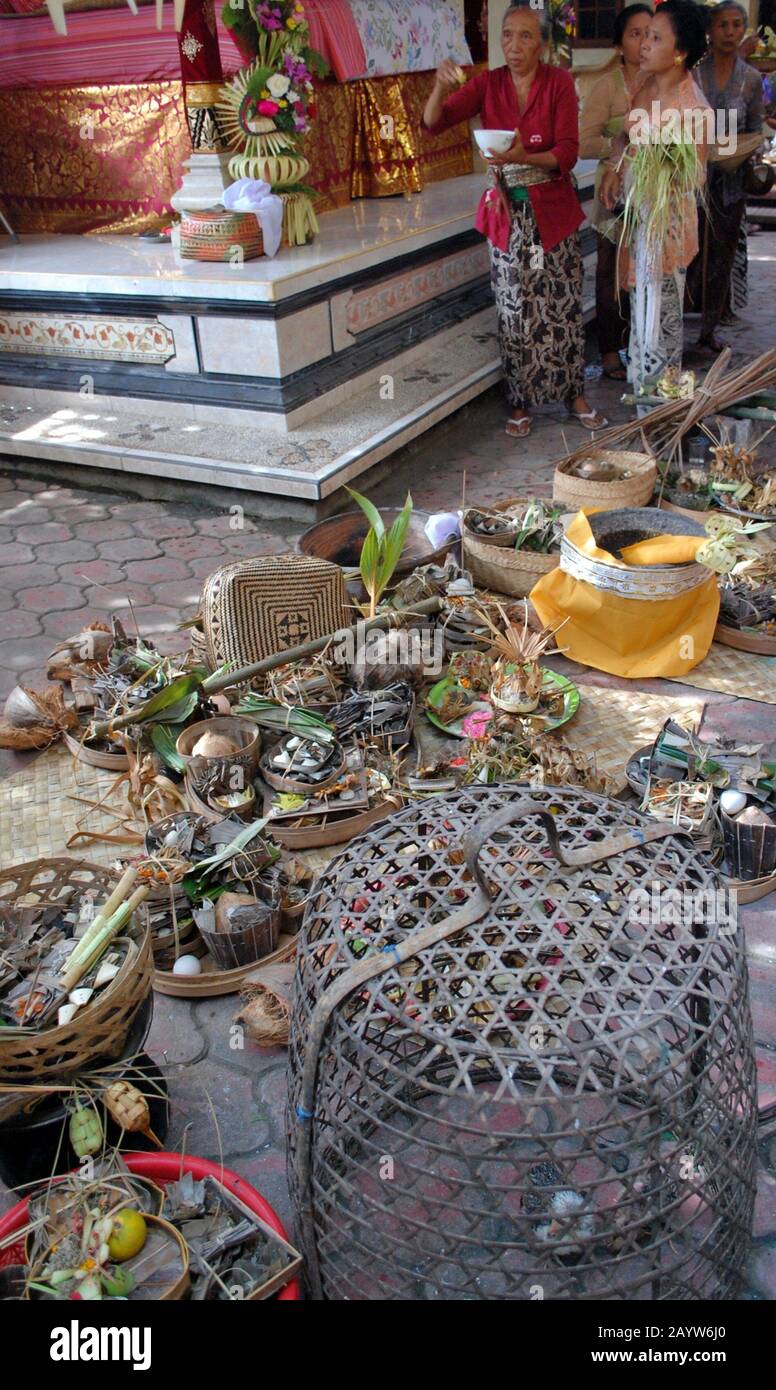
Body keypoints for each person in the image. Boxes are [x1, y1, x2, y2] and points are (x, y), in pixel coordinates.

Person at [422, 4, 607, 438]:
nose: (514, 45)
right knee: (513, 308)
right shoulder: (488, 83)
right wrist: (437, 86)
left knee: (560, 304)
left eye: (525, 37)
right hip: (506, 213)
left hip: (553, 210)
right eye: (507, 36)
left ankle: (574, 394)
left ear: (541, 44)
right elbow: (435, 122)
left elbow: (567, 154)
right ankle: (519, 401)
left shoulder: (558, 83)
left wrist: (524, 157)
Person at [600, 0, 710, 396]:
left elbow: (692, 173)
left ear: (679, 53)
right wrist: (616, 166)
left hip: (667, 228)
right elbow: (625, 137)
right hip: (641, 220)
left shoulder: (692, 107)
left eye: (656, 38)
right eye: (644, 35)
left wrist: (653, 167)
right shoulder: (646, 87)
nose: (645, 44)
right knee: (640, 318)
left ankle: (661, 412)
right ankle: (643, 407)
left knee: (659, 324)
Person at [580, 4, 653, 381]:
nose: (643, 43)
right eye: (634, 34)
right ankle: (609, 350)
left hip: (653, 194)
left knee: (647, 271)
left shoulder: (665, 82)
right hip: (615, 193)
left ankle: (643, 344)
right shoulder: (606, 86)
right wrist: (619, 143)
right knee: (610, 272)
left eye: (649, 34)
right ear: (620, 43)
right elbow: (584, 142)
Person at [692, 2, 764, 351]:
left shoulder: (750, 79)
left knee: (721, 255)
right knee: (691, 254)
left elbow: (754, 127)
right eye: (723, 25)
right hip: (692, 180)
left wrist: (746, 151)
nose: (730, 32)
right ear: (710, 30)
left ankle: (710, 328)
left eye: (737, 25)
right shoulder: (693, 74)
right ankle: (681, 325)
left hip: (731, 183)